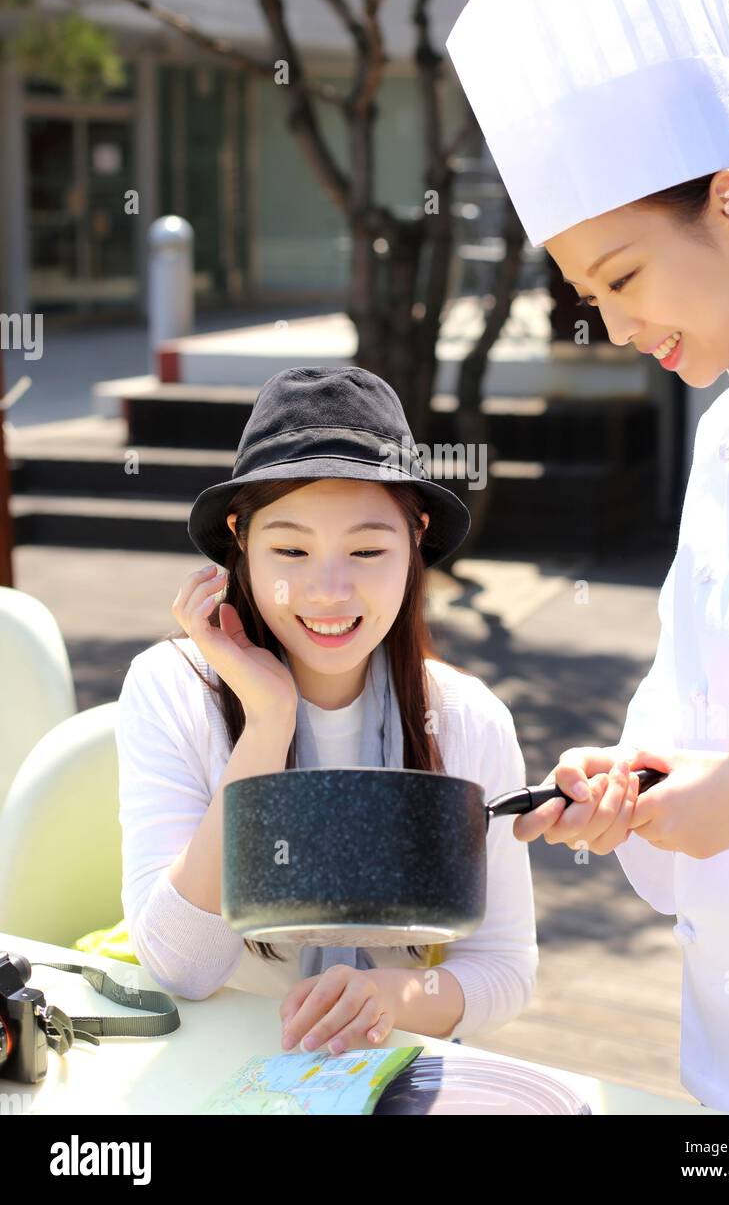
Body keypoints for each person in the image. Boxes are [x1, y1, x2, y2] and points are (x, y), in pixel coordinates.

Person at [446, 0, 729, 1115]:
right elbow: (691, 697)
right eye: (588, 296)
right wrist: (629, 775)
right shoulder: (722, 437)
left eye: (622, 277)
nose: (619, 328)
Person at [115, 365, 538, 1055]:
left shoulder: (466, 718)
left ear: (416, 541)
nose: (330, 591)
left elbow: (506, 964)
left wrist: (387, 1000)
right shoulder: (168, 688)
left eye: (368, 549)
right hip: (211, 1072)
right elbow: (181, 967)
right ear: (240, 542)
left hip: (391, 1066)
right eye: (290, 549)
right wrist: (268, 723)